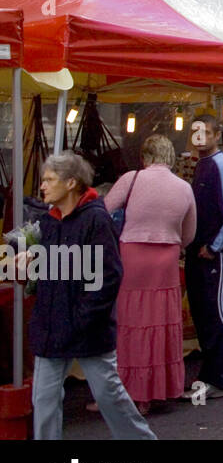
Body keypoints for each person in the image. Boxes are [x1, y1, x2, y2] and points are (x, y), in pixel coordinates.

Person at [25, 153, 156, 440]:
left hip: (87, 327)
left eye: (49, 180)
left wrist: (81, 317)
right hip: (51, 325)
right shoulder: (49, 222)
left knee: (109, 396)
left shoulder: (96, 220)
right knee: (44, 400)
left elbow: (108, 277)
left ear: (71, 182)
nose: (42, 187)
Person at [102, 134, 196, 415]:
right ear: (169, 157)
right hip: (166, 258)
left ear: (144, 156)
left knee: (131, 325)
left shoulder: (131, 179)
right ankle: (157, 391)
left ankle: (128, 394)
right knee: (160, 324)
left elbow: (103, 213)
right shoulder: (184, 187)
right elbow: (189, 234)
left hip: (132, 256)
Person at [186, 114, 223, 401]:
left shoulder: (219, 164)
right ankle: (207, 376)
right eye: (196, 132)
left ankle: (216, 379)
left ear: (216, 135)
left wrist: (214, 246)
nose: (200, 138)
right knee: (203, 313)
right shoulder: (203, 164)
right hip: (199, 252)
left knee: (217, 314)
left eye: (205, 133)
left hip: (211, 255)